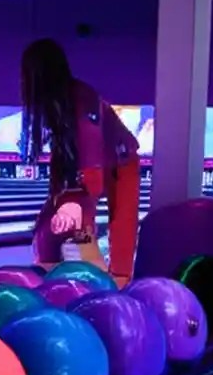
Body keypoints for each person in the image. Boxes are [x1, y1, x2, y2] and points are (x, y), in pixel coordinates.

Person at [19, 38, 141, 287]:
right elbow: (62, 158)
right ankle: (48, 282)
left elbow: (90, 151)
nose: (23, 82)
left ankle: (116, 285)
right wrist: (56, 200)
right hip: (88, 170)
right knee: (48, 229)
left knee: (119, 225)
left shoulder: (82, 97)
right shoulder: (55, 103)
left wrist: (79, 204)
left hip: (121, 162)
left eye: (27, 75)